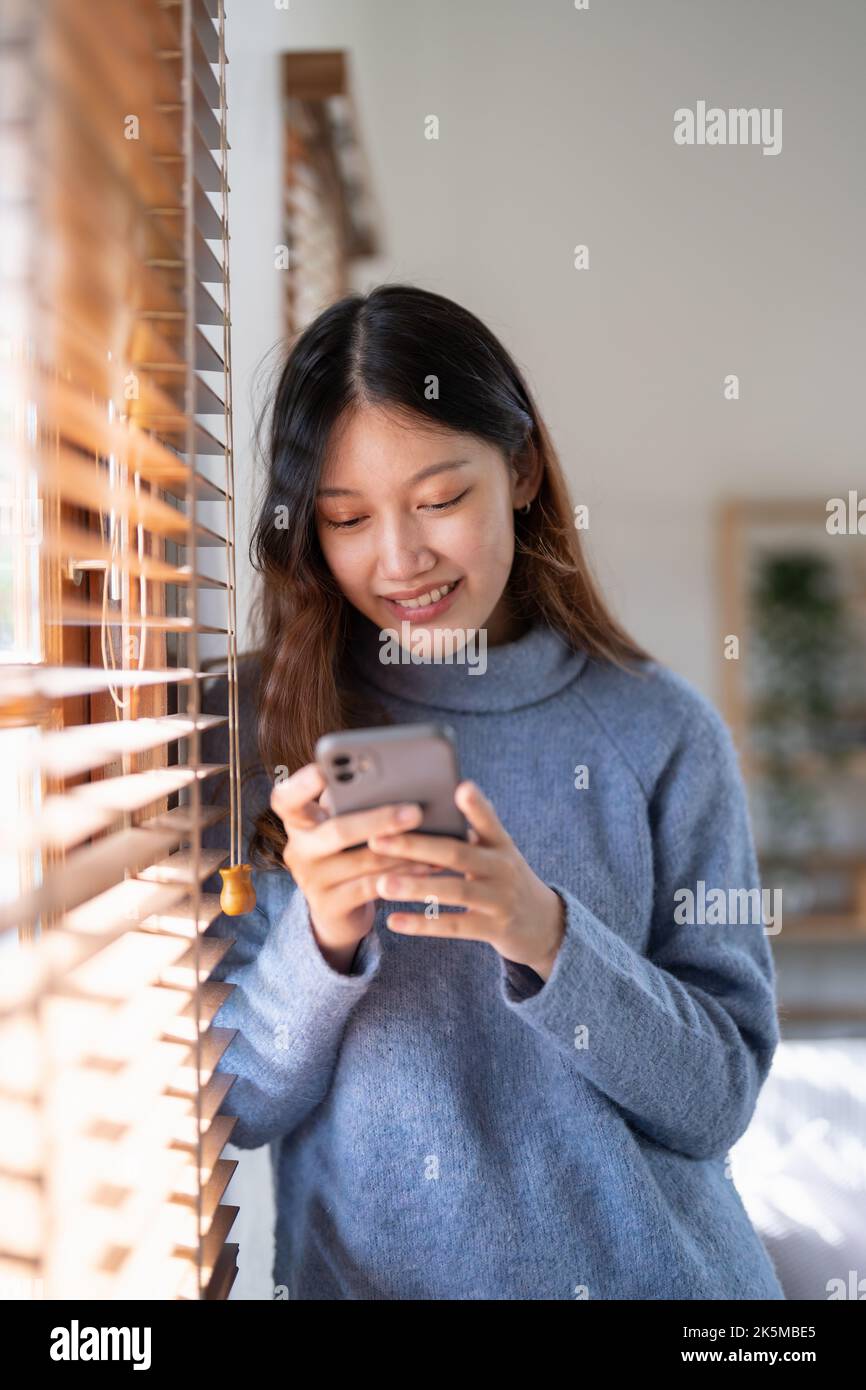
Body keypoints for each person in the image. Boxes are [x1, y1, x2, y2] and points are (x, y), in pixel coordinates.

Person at [201, 283, 785, 1300]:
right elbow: (235, 1100)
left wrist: (546, 934)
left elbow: (715, 1100)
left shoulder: (658, 730)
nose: (399, 558)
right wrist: (320, 938)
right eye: (346, 518)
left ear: (520, 469)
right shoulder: (258, 728)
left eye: (438, 500)